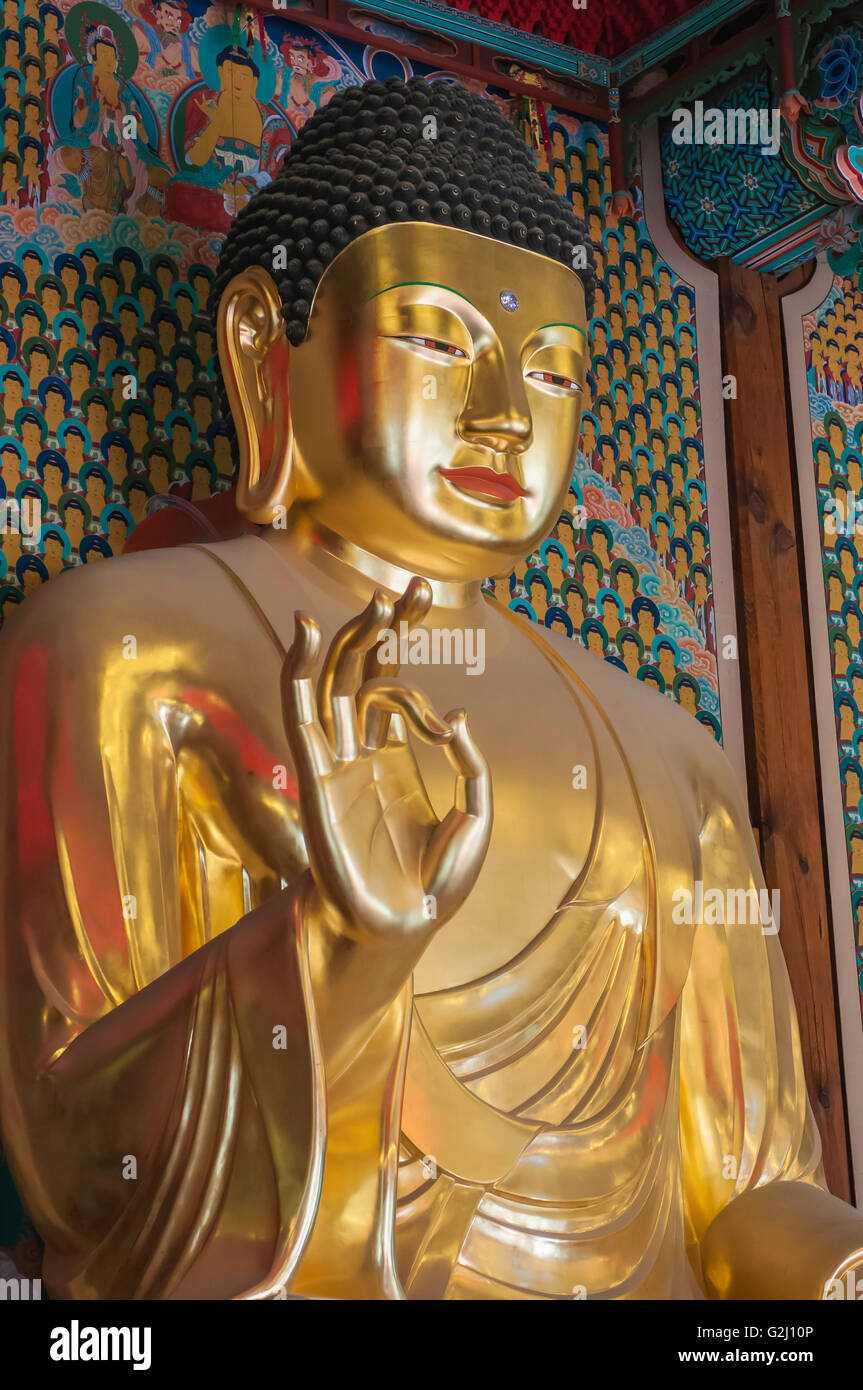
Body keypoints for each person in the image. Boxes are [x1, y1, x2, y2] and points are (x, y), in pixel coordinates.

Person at [1, 76, 862, 1304]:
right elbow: (84, 1167)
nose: (505, 417)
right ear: (263, 349)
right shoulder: (118, 647)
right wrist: (329, 949)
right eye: (435, 338)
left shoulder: (678, 758)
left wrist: (837, 1269)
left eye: (554, 370)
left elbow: (749, 1192)